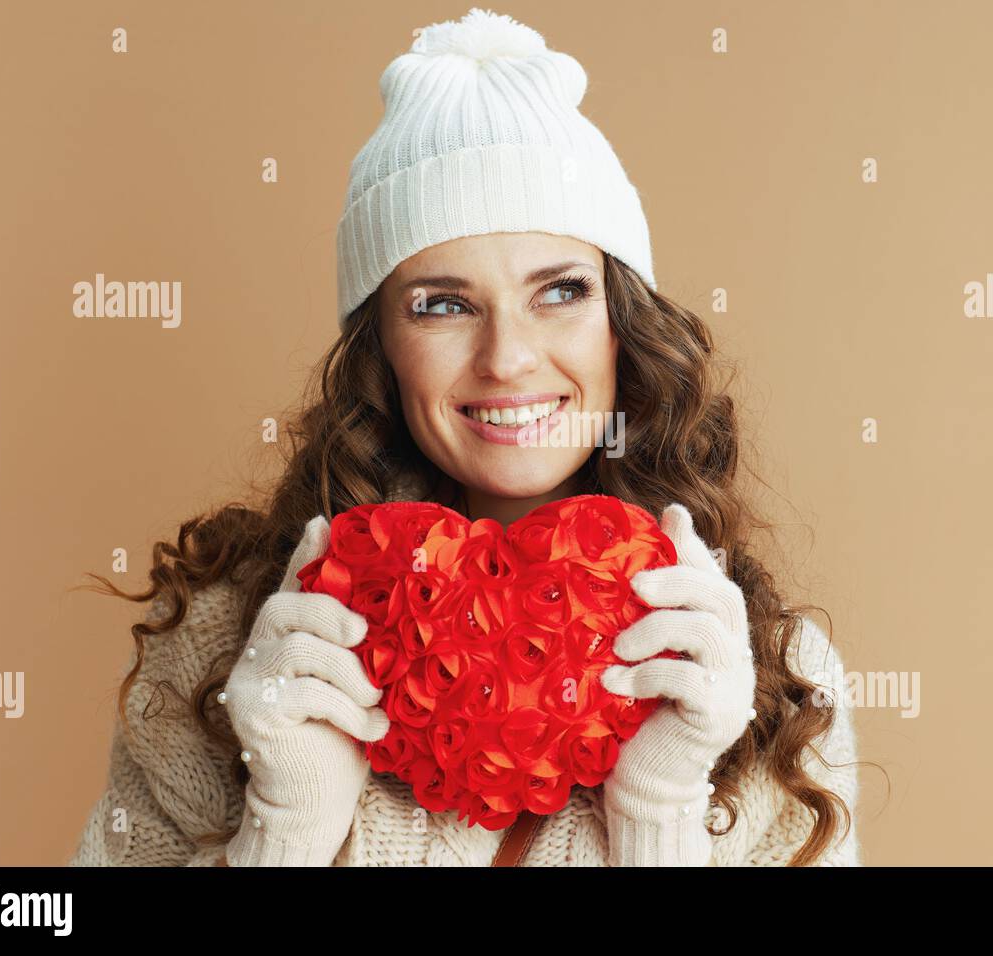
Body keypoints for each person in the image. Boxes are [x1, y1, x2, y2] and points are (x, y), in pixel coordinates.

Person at [69, 7, 861, 867]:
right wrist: (284, 831)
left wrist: (659, 812)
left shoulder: (771, 675)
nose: (509, 358)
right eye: (442, 304)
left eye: (560, 290)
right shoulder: (226, 649)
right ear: (380, 348)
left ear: (624, 320)